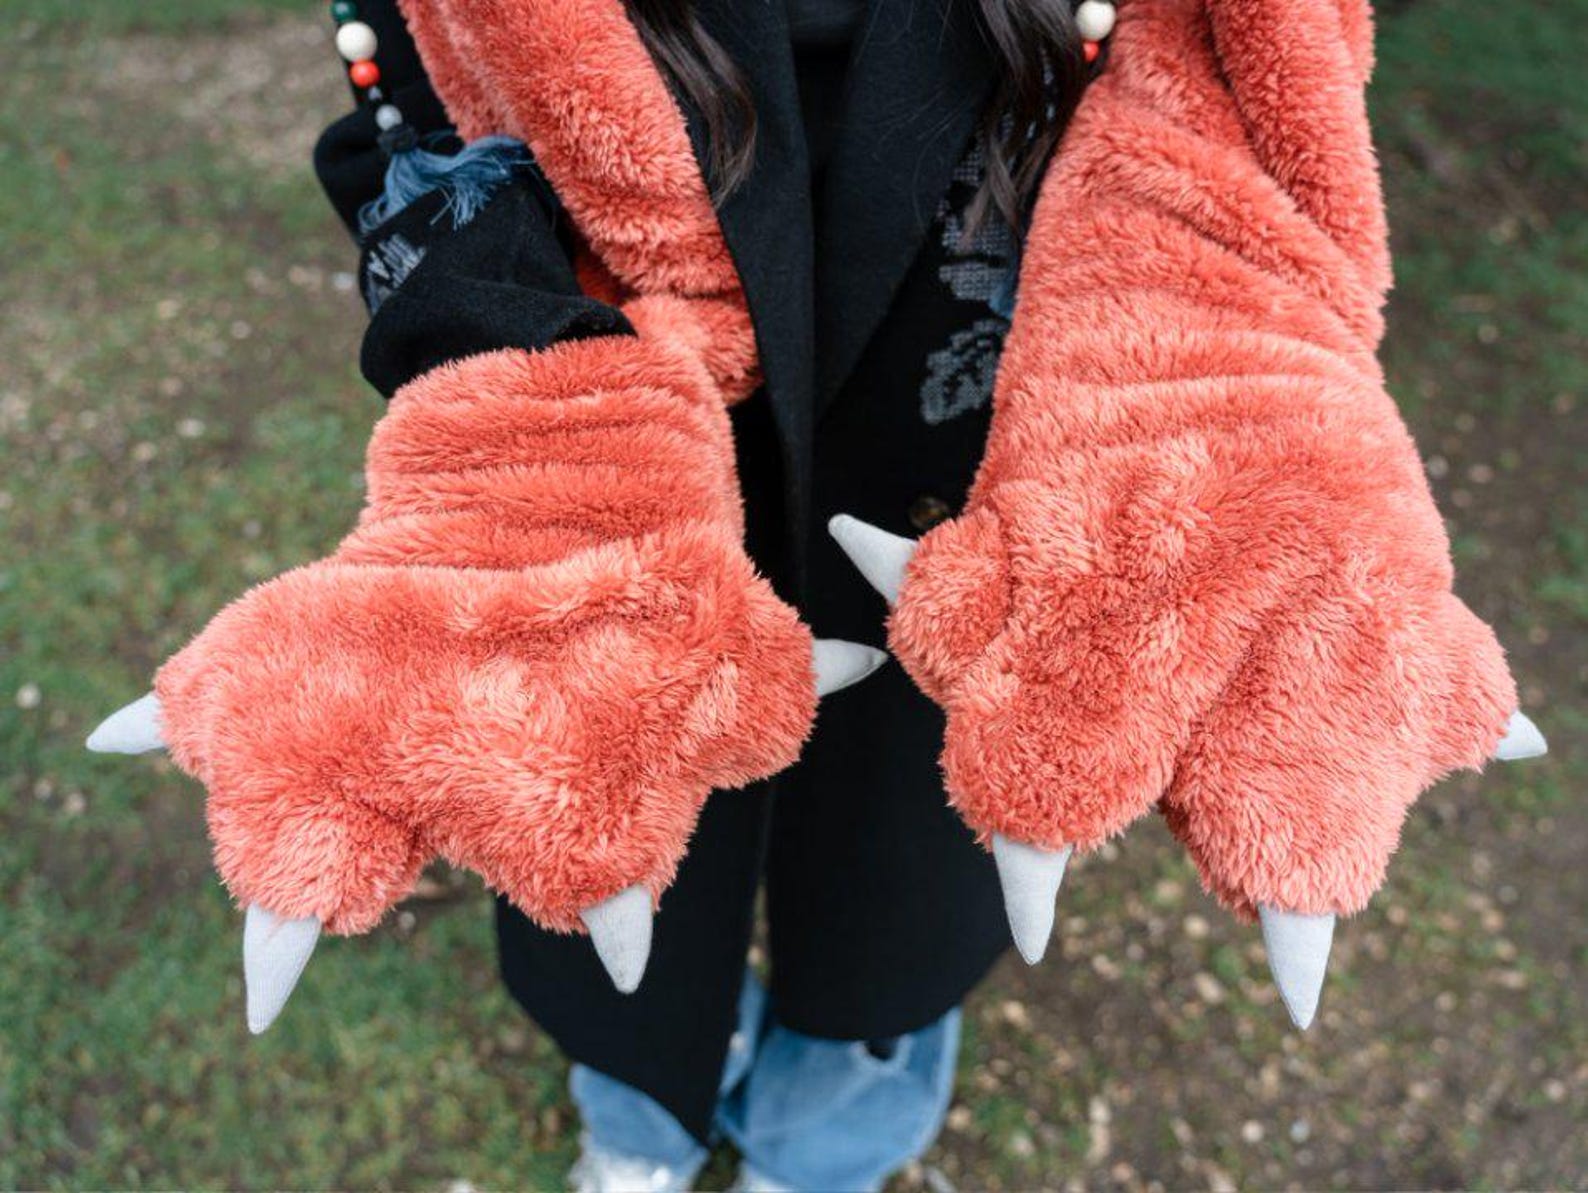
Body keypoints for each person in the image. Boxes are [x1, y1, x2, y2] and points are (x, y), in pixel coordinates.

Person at [89, 0, 1546, 1189]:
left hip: (976, 502)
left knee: (911, 879)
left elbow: (1256, 102)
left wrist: (1222, 394)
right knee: (595, 803)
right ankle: (646, 1114)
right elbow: (407, 119)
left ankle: (831, 1135)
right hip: (637, 516)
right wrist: (509, 375)